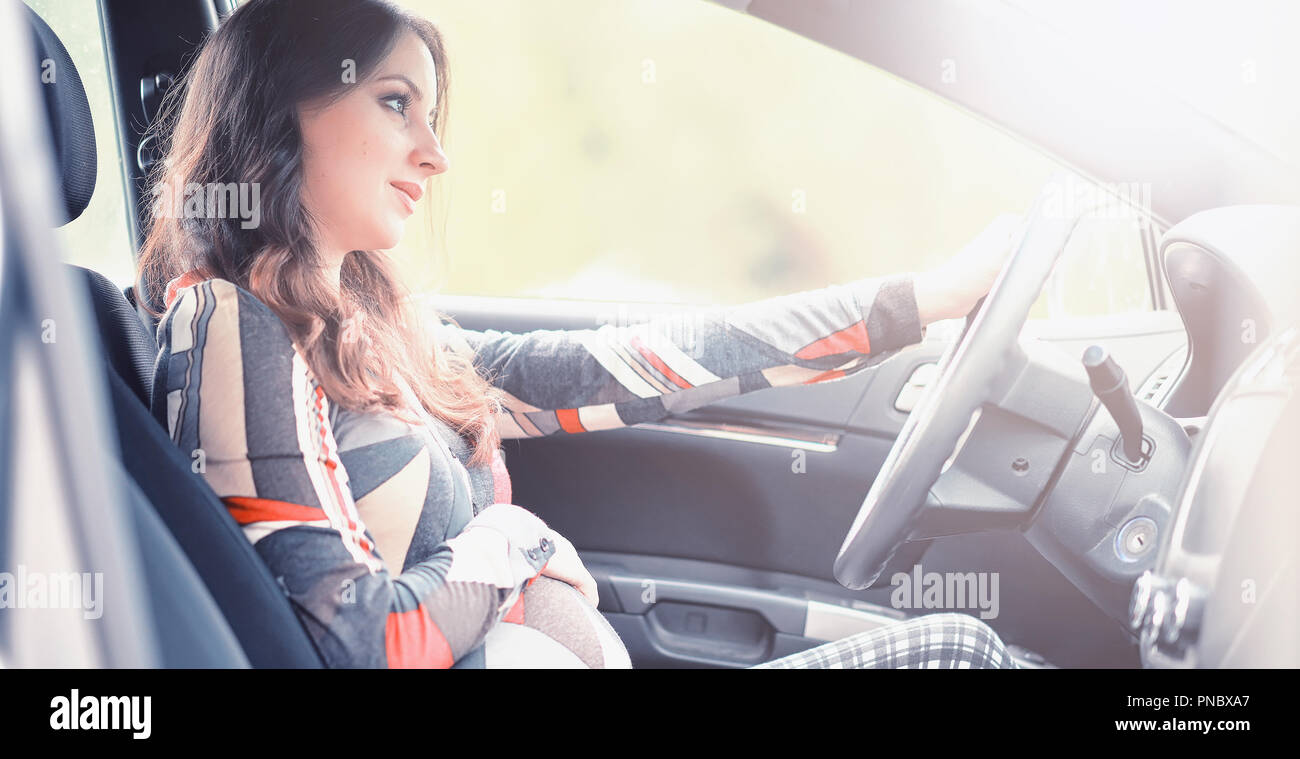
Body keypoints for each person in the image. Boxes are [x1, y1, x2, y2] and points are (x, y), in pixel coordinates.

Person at [137, 0, 1022, 669]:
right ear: (283, 107)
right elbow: (360, 641)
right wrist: (513, 544)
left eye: (432, 117)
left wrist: (923, 300)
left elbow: (633, 365)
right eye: (396, 102)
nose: (435, 156)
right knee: (958, 652)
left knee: (957, 641)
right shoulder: (228, 325)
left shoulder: (375, 328)